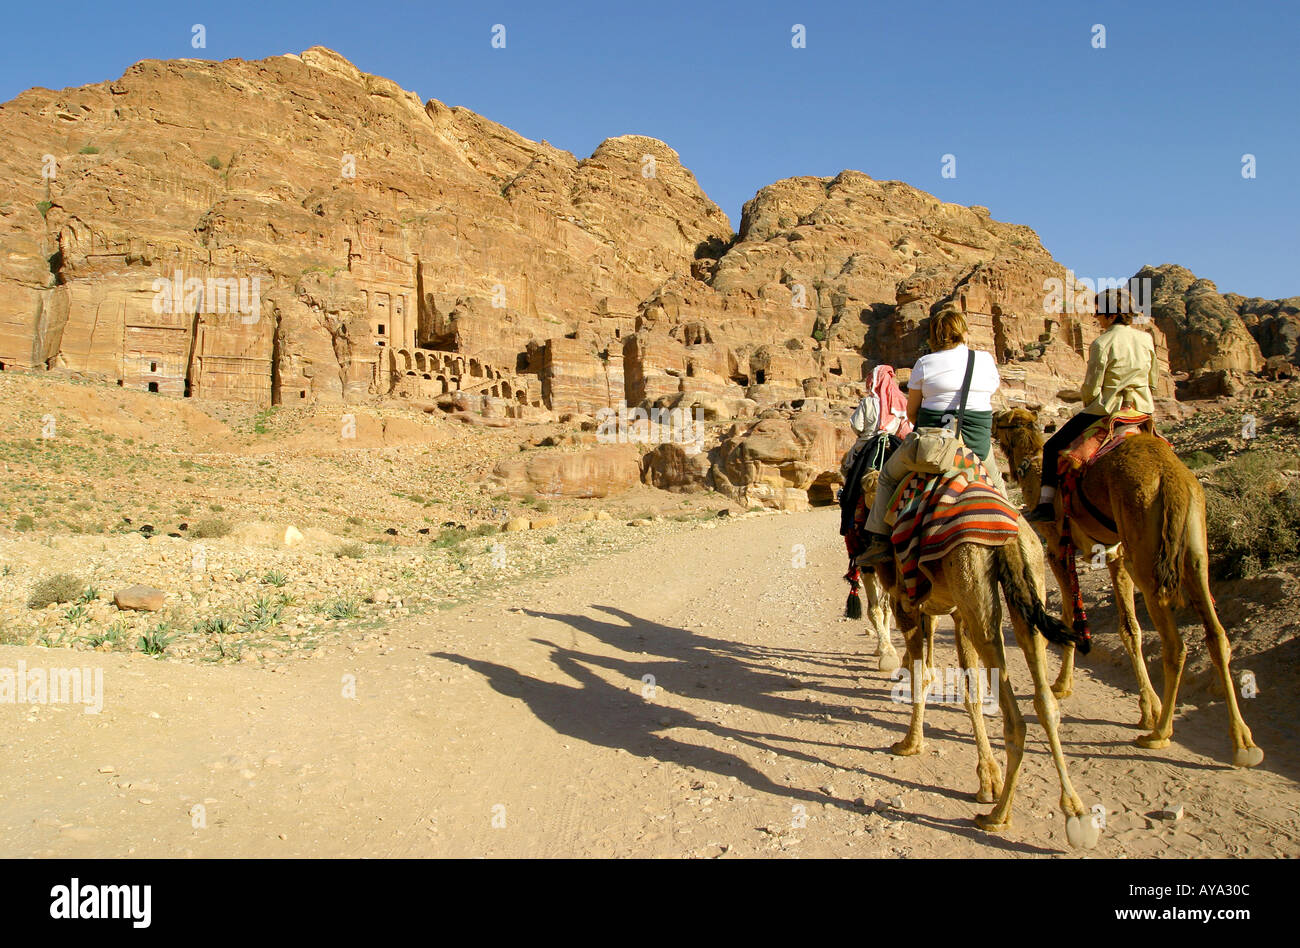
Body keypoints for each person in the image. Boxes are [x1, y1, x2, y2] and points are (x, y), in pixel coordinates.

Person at [857, 306, 1005, 565]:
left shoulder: (924, 363)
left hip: (932, 449)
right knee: (997, 483)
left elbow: (912, 413)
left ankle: (879, 540)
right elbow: (988, 394)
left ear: (935, 336)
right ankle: (1011, 525)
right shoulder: (985, 360)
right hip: (975, 448)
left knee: (888, 477)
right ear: (964, 332)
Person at [1025, 287, 1158, 523]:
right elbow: (1153, 380)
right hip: (1142, 410)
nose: (1095, 318)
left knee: (1053, 446)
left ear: (1110, 315)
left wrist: (1083, 398)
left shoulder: (1102, 342)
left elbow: (1092, 388)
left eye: (1098, 313)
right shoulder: (1146, 339)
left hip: (1108, 410)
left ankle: (1045, 505)